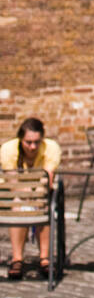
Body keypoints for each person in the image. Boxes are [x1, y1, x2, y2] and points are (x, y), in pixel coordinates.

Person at [1, 117, 61, 279]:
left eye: (36, 142)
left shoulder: (51, 148)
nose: (33, 147)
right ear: (21, 139)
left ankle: (44, 258)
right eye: (28, 142)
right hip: (15, 193)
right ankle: (17, 259)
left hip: (41, 192)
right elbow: (12, 182)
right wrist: (27, 194)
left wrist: (36, 195)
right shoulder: (8, 149)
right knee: (18, 205)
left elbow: (48, 178)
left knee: (42, 205)